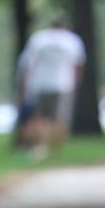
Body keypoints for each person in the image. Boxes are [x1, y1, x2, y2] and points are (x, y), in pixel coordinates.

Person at [17, 17, 87, 157]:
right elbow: (78, 65)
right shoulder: (72, 40)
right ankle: (55, 149)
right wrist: (76, 84)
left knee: (39, 117)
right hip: (63, 84)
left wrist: (24, 87)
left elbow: (26, 65)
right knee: (60, 118)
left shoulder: (38, 38)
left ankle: (41, 147)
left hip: (38, 84)